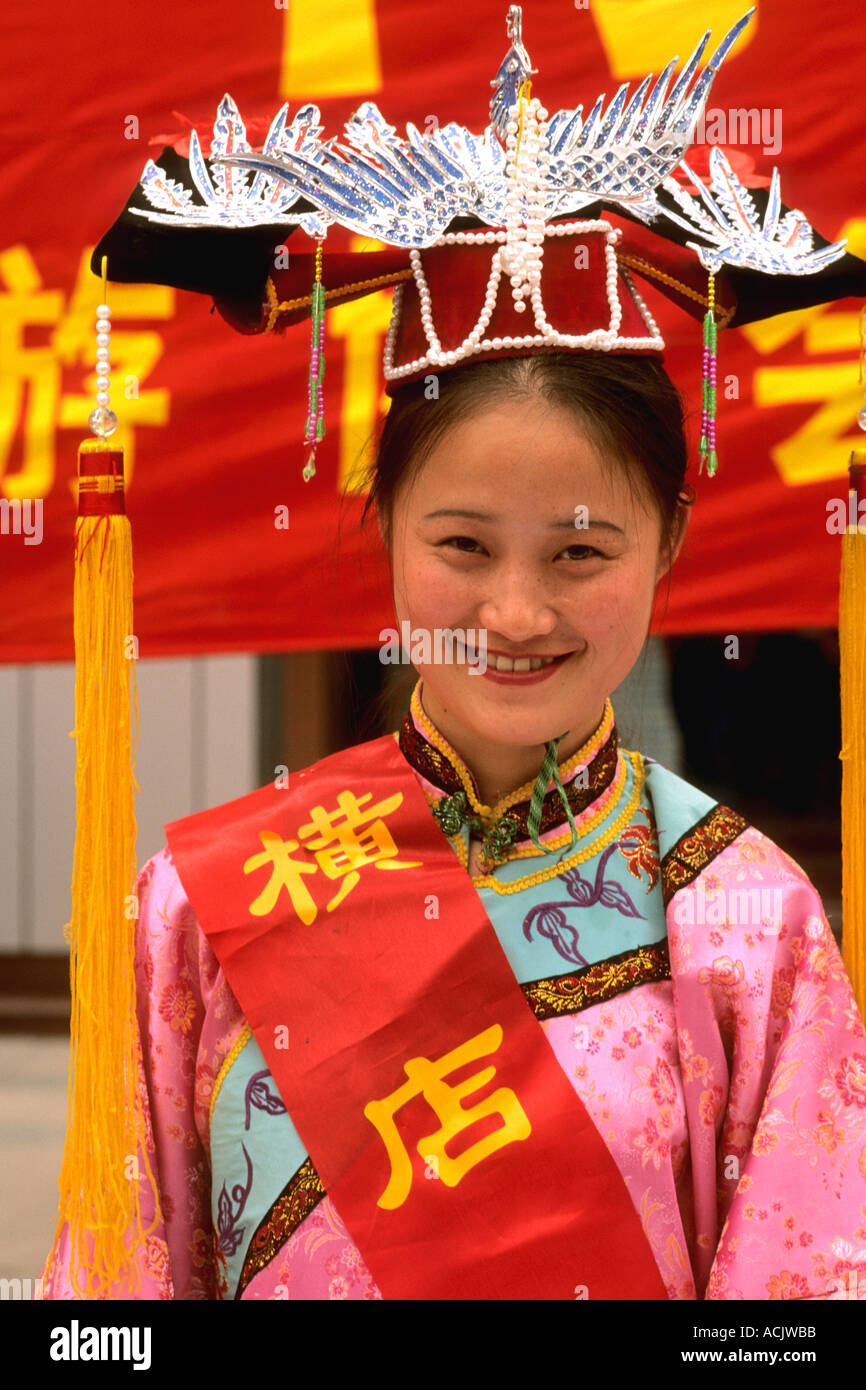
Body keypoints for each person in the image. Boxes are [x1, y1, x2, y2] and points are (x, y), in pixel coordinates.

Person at [42, 5, 866, 1300]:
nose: (518, 612)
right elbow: (120, 1302)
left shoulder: (745, 917)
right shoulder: (200, 903)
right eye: (464, 545)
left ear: (667, 546)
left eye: (581, 551)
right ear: (383, 531)